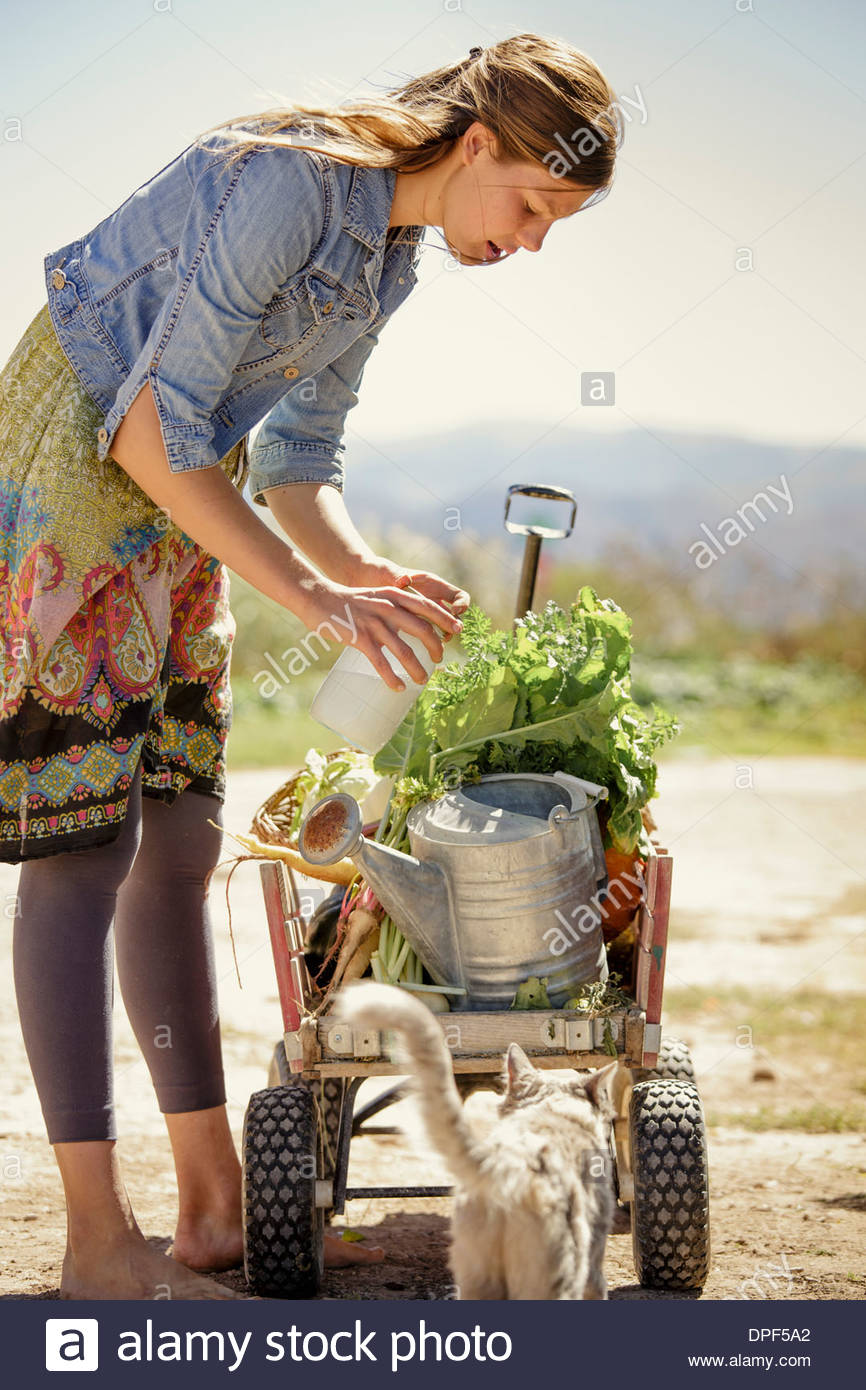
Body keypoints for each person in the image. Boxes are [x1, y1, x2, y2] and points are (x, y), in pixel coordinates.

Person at [0, 32, 621, 1300]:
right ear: (479, 144)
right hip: (72, 469)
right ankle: (95, 1242)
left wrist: (365, 579)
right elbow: (140, 423)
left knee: (180, 841)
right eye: (535, 205)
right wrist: (314, 594)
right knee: (82, 851)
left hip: (181, 492)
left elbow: (297, 459)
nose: (534, 240)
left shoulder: (387, 258)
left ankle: (215, 1199)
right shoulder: (287, 177)